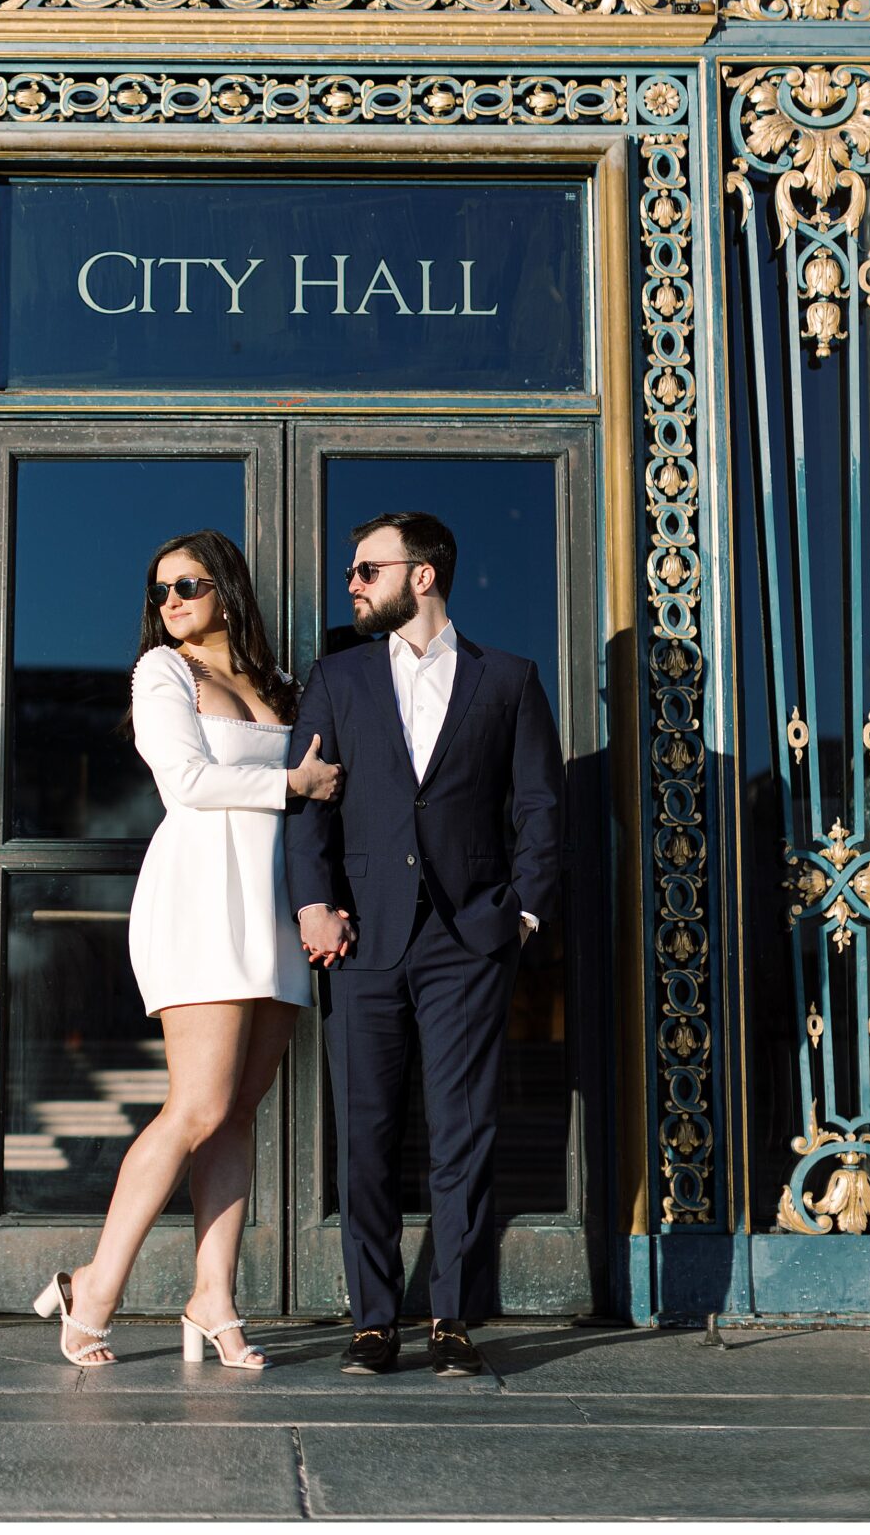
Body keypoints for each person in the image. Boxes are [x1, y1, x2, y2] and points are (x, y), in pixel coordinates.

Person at [34, 529, 342, 1370]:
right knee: (197, 1106)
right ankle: (94, 1288)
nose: (170, 601)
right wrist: (292, 782)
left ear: (229, 589)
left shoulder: (283, 682)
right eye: (160, 589)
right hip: (201, 894)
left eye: (189, 584)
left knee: (238, 1112)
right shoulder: (162, 672)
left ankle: (213, 1298)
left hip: (272, 904)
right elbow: (187, 782)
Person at [284, 511, 563, 1377]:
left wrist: (520, 915)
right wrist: (313, 904)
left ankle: (452, 1316)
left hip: (467, 937)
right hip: (362, 936)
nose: (354, 585)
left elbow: (539, 809)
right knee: (365, 1133)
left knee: (463, 1131)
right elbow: (309, 807)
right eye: (353, 574)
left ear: (424, 575)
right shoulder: (337, 676)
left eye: (368, 570)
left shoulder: (509, 679)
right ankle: (373, 1320)